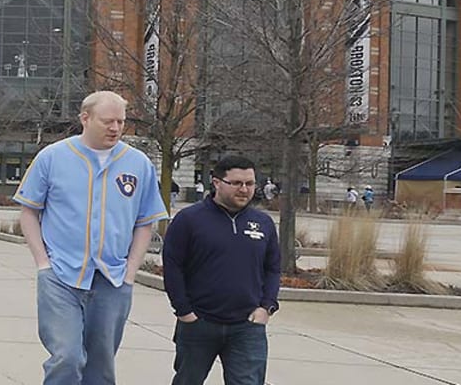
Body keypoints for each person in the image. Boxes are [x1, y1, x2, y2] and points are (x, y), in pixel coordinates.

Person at [15, 90, 168, 385]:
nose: (115, 128)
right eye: (107, 121)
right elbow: (29, 211)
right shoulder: (52, 157)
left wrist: (130, 274)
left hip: (112, 280)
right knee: (67, 358)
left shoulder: (137, 163)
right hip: (61, 276)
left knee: (101, 367)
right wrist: (43, 264)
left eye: (121, 122)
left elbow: (145, 223)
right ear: (85, 118)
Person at [162, 155, 281, 385]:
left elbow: (273, 268)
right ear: (216, 182)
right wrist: (184, 311)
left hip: (247, 326)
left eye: (250, 183)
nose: (244, 189)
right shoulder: (189, 220)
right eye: (236, 183)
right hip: (199, 323)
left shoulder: (263, 223)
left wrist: (267, 307)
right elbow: (173, 267)